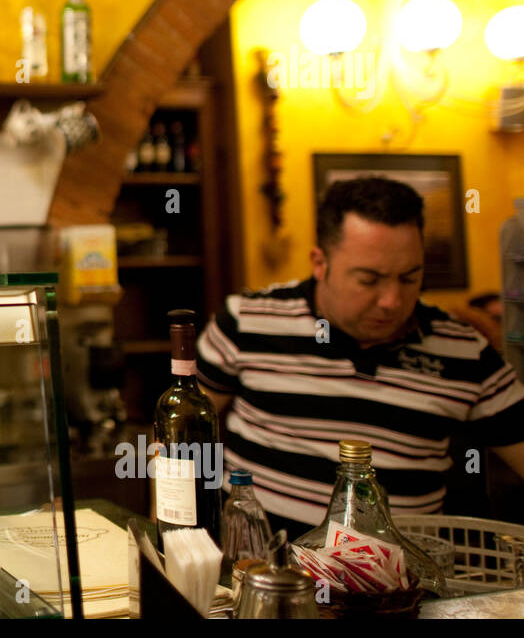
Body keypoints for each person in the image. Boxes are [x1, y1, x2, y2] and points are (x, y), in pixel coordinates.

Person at [196, 176, 524, 538]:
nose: (392, 301)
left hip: (401, 584)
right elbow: (179, 436)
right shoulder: (246, 321)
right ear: (320, 263)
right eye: (369, 280)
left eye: (409, 278)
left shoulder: (465, 350)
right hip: (260, 574)